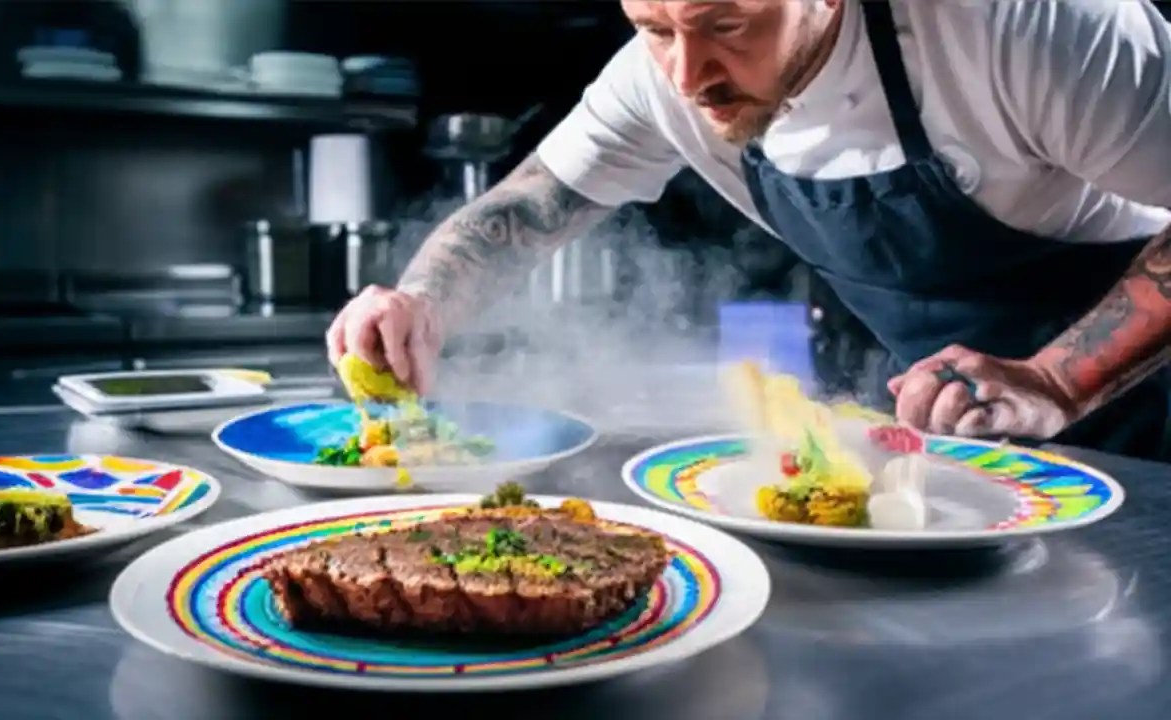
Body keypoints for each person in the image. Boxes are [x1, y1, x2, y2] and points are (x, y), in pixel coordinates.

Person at [326, 0, 1171, 460]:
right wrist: (422, 299)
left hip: (1151, 432)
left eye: (725, 24)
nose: (687, 74)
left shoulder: (1022, 26)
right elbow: (529, 205)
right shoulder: (661, 76)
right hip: (972, 446)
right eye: (654, 29)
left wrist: (1055, 381)